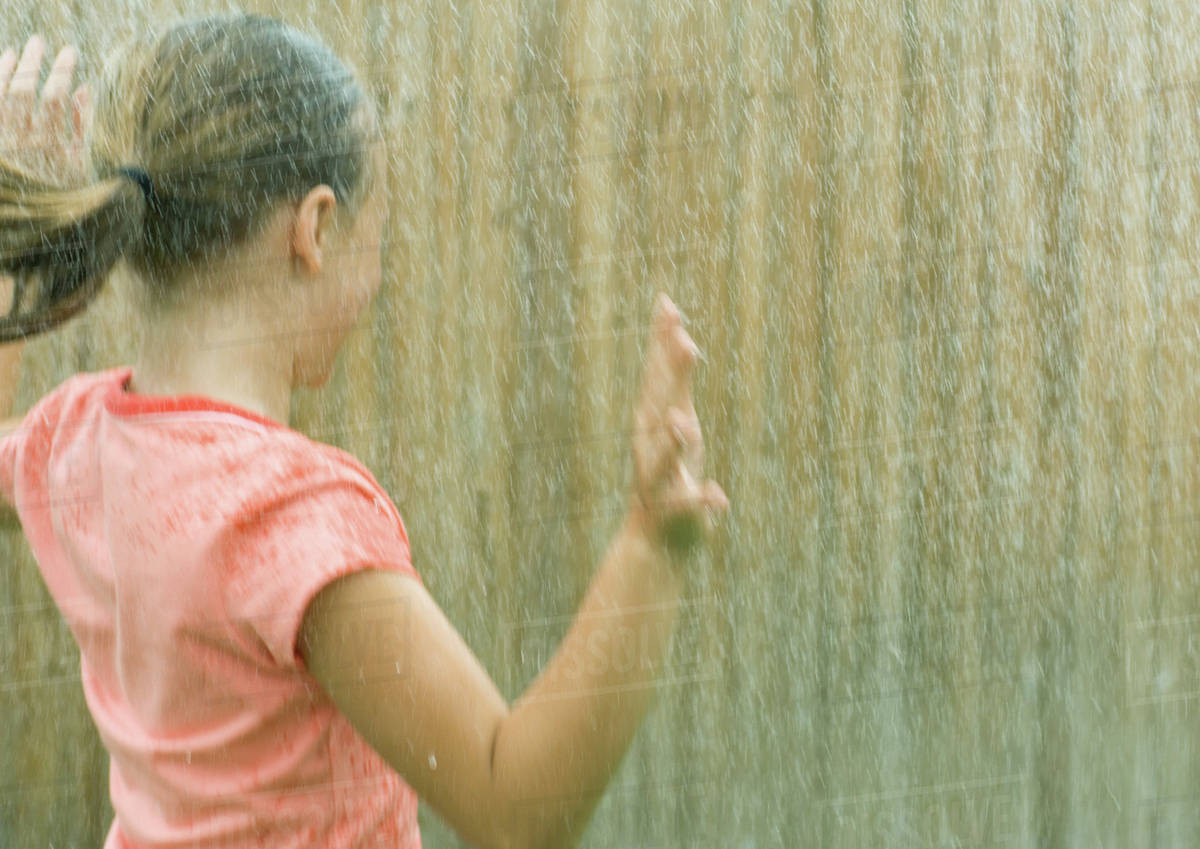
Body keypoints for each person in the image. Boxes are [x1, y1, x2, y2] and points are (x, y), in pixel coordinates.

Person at [0, 15, 728, 849]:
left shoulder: (74, 441)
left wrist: (14, 258)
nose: (377, 274)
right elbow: (515, 806)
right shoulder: (289, 518)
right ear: (314, 229)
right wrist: (651, 541)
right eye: (375, 238)